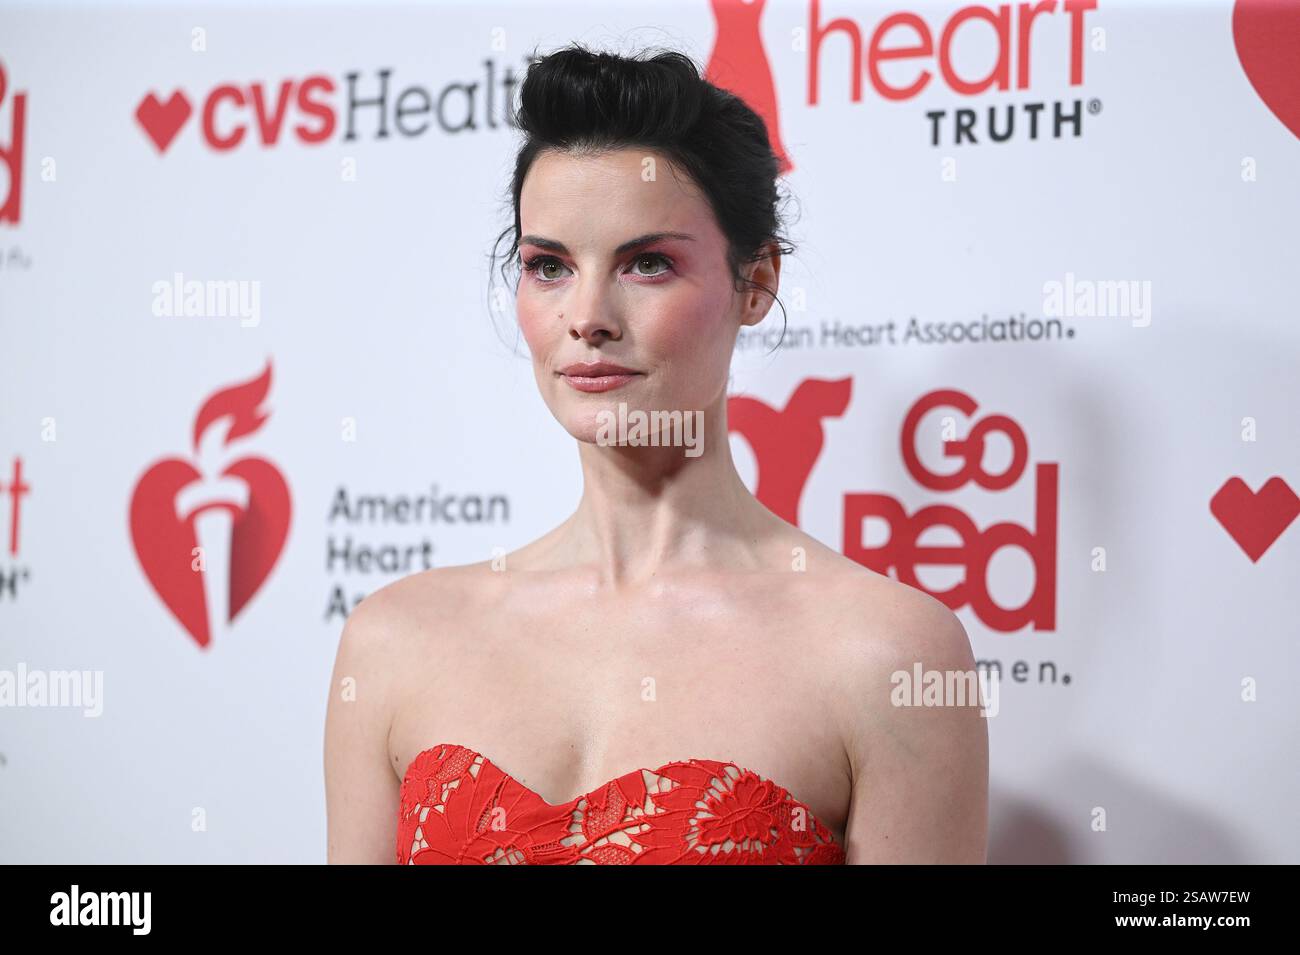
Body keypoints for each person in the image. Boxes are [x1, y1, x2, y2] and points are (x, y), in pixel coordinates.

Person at [324, 43, 988, 865]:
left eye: (647, 263)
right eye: (549, 266)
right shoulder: (394, 640)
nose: (588, 316)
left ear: (757, 283)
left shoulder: (892, 654)